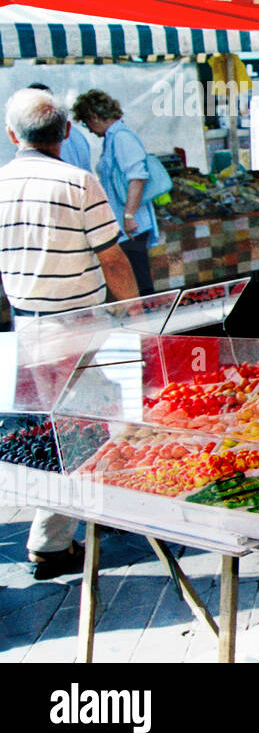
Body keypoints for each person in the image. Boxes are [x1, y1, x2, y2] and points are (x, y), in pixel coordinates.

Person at [1, 88, 139, 578]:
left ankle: (92, 513)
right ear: (65, 132)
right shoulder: (80, 182)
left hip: (28, 324)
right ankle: (52, 540)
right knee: (80, 428)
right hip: (80, 322)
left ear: (13, 134)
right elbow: (112, 256)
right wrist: (135, 315)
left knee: (71, 423)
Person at [72, 89, 160, 296]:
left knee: (138, 282)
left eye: (87, 123)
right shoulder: (112, 138)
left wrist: (129, 215)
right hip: (125, 224)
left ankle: (146, 322)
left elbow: (137, 177)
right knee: (133, 280)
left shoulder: (121, 137)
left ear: (94, 117)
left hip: (132, 225)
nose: (89, 130)